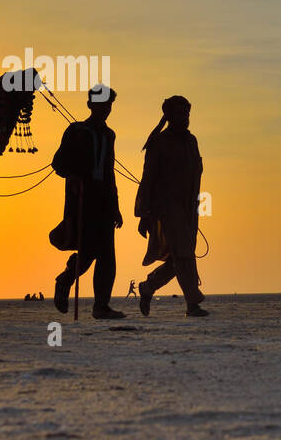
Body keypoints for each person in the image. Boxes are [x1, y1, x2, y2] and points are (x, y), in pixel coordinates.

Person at [48, 85, 124, 320]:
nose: (106, 109)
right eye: (101, 104)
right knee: (89, 251)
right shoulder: (76, 131)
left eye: (109, 105)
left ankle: (101, 305)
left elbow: (109, 172)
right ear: (91, 105)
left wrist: (116, 207)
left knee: (107, 256)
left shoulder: (109, 135)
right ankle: (65, 279)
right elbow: (58, 164)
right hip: (82, 199)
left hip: (103, 199)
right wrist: (74, 176)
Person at [134, 96, 207, 317]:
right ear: (169, 116)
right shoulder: (159, 142)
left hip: (190, 207)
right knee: (184, 254)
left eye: (186, 114)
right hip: (167, 207)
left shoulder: (191, 140)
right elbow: (147, 179)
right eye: (179, 114)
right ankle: (193, 303)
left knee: (180, 256)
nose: (184, 118)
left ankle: (148, 287)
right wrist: (145, 215)